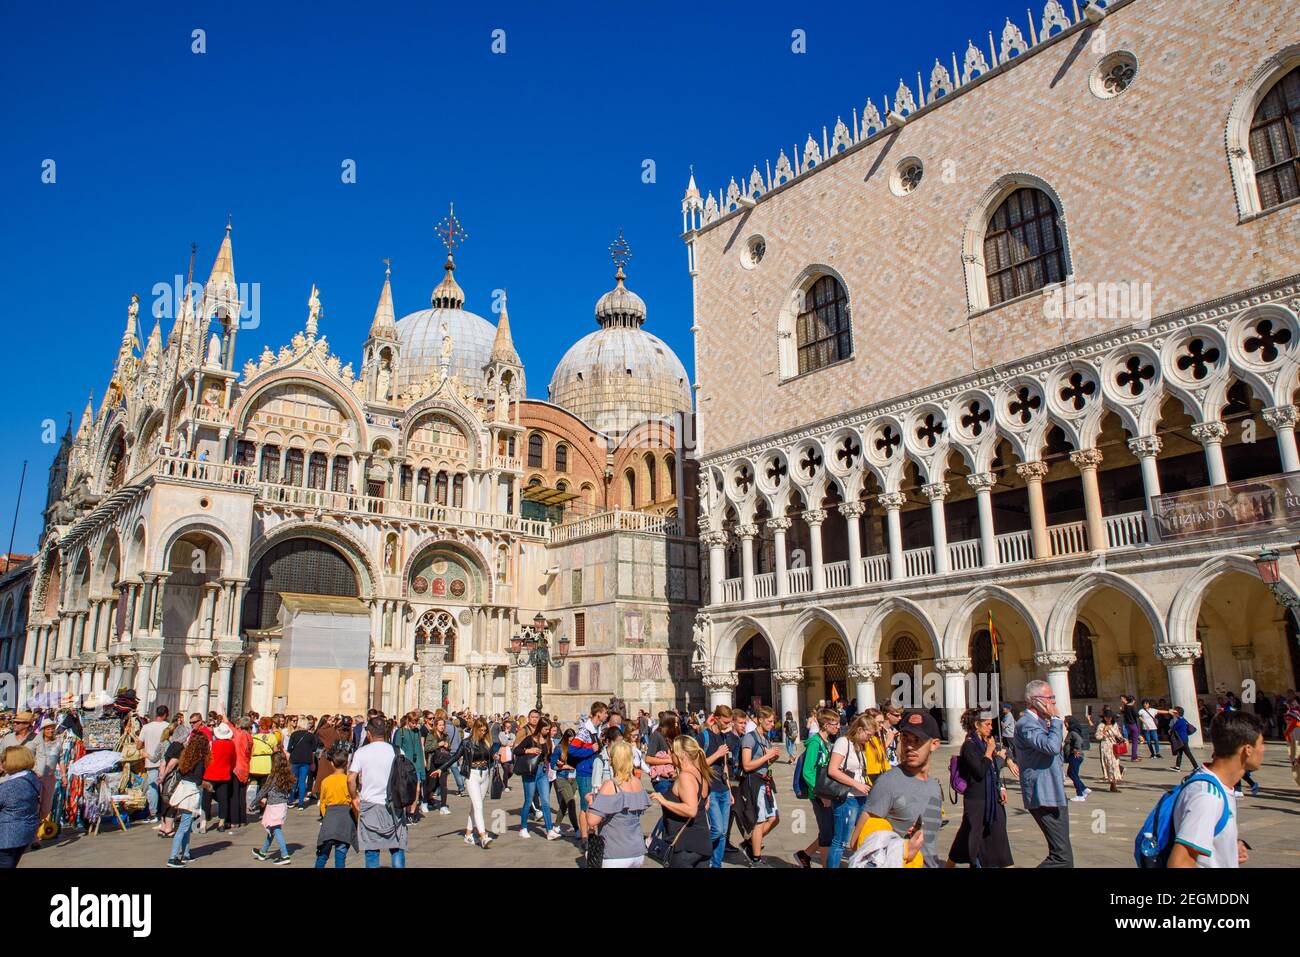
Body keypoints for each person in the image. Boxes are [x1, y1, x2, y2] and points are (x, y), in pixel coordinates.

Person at [1168, 711, 1264, 868]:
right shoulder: (1208, 796)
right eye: (1261, 743)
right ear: (1247, 749)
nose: (1263, 750)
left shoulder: (1218, 786)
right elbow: (1180, 863)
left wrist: (1228, 848)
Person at [853, 710, 944, 867]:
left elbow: (930, 842)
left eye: (918, 740)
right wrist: (904, 849)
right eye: (906, 738)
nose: (909, 746)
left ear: (934, 744)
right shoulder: (888, 783)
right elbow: (856, 842)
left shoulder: (935, 786)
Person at [1014, 680, 1073, 867]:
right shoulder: (1026, 724)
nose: (1054, 702)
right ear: (1035, 701)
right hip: (1043, 795)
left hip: (1054, 793)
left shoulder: (1040, 722)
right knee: (1061, 857)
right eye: (1050, 698)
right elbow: (1052, 747)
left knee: (1065, 857)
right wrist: (1056, 720)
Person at [946, 708, 1013, 868]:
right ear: (977, 725)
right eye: (987, 724)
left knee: (997, 837)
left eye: (991, 724)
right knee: (972, 838)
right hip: (977, 801)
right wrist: (989, 753)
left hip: (992, 798)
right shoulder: (969, 746)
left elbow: (994, 769)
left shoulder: (986, 743)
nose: (991, 727)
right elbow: (980, 771)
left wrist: (1001, 787)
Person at [348, 717, 407, 868]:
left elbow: (350, 779)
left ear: (369, 733)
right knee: (397, 847)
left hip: (370, 805)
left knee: (372, 850)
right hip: (395, 805)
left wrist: (354, 797)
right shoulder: (398, 751)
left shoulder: (362, 752)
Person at [650, 734, 713, 868]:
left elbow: (691, 810)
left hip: (685, 846)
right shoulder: (700, 773)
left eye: (672, 750)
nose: (669, 753)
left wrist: (664, 801)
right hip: (702, 842)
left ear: (681, 754)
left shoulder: (686, 777)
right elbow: (705, 804)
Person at [585, 740, 651, 867]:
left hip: (615, 853)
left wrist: (591, 801)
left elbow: (592, 821)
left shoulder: (611, 785)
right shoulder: (637, 783)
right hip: (637, 851)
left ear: (613, 760)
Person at [826, 712, 875, 868]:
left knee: (864, 836)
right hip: (848, 798)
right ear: (859, 729)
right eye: (868, 734)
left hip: (862, 797)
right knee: (840, 840)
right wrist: (856, 784)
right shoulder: (843, 742)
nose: (870, 738)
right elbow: (832, 770)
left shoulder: (860, 746)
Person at [795, 707, 840, 869]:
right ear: (826, 725)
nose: (837, 727)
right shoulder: (815, 743)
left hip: (827, 793)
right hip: (819, 795)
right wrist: (821, 794)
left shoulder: (827, 742)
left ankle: (805, 854)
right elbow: (808, 772)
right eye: (834, 724)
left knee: (829, 831)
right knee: (828, 834)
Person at [740, 705, 781, 867]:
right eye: (770, 721)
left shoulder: (765, 738)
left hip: (765, 780)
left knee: (774, 818)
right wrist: (768, 757)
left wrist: (772, 758)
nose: (772, 724)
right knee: (760, 819)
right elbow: (747, 765)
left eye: (773, 721)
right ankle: (756, 858)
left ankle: (750, 842)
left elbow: (765, 761)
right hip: (754, 781)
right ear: (761, 720)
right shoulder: (749, 738)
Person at [697, 705, 734, 868]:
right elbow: (698, 764)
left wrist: (730, 790)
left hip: (723, 790)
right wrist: (717, 754)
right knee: (717, 830)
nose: (728, 725)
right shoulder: (703, 736)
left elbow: (724, 766)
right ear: (716, 719)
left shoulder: (723, 737)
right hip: (710, 789)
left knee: (723, 833)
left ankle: (715, 864)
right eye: (725, 722)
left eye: (730, 722)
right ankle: (696, 849)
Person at [167, 730, 209, 867]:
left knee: (186, 825)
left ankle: (185, 854)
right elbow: (197, 780)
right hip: (191, 792)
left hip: (183, 789)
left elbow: (180, 773)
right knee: (184, 827)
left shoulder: (186, 755)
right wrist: (207, 785)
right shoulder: (200, 759)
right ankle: (173, 857)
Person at [515, 718, 561, 839]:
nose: (548, 731)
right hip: (530, 772)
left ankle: (549, 830)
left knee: (546, 801)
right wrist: (528, 750)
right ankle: (523, 827)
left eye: (549, 729)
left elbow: (549, 757)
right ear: (540, 728)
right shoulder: (530, 739)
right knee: (528, 800)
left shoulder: (548, 741)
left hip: (543, 772)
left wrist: (557, 763)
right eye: (546, 729)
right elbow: (516, 750)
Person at [0, 746, 41, 869]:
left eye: (3, 760)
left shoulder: (11, 786)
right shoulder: (31, 777)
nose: (2, 763)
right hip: (23, 832)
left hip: (7, 837)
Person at [315, 744, 355, 868]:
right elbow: (353, 800)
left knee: (323, 854)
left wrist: (325, 815)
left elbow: (323, 802)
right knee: (341, 854)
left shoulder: (326, 781)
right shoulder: (348, 780)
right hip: (345, 819)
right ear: (346, 764)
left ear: (332, 764)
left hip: (330, 818)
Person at [251, 750, 295, 864]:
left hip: (274, 806)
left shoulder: (273, 776)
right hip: (282, 805)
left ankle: (285, 855)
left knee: (276, 829)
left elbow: (264, 789)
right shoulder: (287, 775)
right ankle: (263, 852)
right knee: (272, 828)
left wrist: (254, 803)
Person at [460, 718, 494, 848]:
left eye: (485, 731)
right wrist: (441, 769)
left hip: (484, 775)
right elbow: (455, 757)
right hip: (472, 775)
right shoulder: (466, 743)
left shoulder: (486, 741)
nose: (483, 733)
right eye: (481, 730)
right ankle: (483, 836)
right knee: (479, 806)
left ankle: (468, 835)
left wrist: (493, 756)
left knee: (475, 806)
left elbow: (489, 757)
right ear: (475, 729)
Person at [140, 705, 170, 823]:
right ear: (166, 714)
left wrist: (145, 747)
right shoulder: (168, 727)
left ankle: (153, 813)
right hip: (165, 761)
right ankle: (166, 811)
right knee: (166, 786)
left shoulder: (146, 727)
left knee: (153, 787)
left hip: (150, 760)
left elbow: (138, 744)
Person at [287, 716, 318, 810]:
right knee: (302, 780)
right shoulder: (311, 736)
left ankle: (291, 801)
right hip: (306, 760)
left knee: (293, 780)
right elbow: (313, 750)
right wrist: (313, 763)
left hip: (295, 759)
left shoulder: (294, 734)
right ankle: (301, 803)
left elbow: (289, 748)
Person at [1064, 715, 1092, 801]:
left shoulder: (1073, 732)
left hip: (1075, 756)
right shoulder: (1072, 732)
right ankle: (1084, 789)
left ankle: (1080, 794)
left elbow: (1079, 740)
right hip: (1074, 756)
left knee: (1073, 774)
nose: (1064, 723)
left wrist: (1076, 749)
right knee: (1071, 773)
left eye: (1065, 722)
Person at [1095, 713, 1125, 792]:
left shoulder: (1114, 725)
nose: (1108, 718)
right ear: (1104, 718)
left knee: (1115, 764)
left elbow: (1119, 735)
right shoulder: (1101, 725)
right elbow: (1098, 736)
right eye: (1106, 717)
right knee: (1109, 764)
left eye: (1110, 717)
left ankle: (1113, 784)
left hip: (1114, 747)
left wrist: (1122, 738)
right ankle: (1113, 784)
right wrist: (1104, 731)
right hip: (1105, 747)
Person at [1168, 706, 1199, 771]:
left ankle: (1196, 767)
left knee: (1188, 754)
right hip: (1183, 739)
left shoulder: (1180, 721)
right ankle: (1177, 767)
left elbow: (1173, 728)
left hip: (1182, 740)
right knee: (1180, 753)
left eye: (1175, 712)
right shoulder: (1182, 719)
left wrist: (1170, 730)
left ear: (1177, 713)